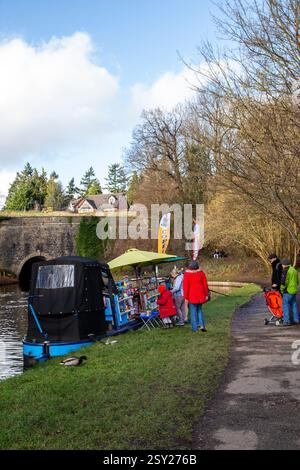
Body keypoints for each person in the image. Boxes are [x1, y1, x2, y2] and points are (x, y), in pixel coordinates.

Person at [183, 261, 209, 333]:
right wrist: (206, 294)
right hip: (201, 294)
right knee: (199, 310)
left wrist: (186, 297)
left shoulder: (187, 274)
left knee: (193, 312)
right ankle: (202, 326)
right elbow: (205, 285)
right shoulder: (201, 273)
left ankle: (195, 329)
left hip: (192, 295)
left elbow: (186, 287)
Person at [280, 258, 299, 326]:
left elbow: (284, 282)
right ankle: (296, 319)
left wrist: (281, 289)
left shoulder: (286, 271)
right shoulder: (294, 270)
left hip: (287, 291)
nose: (282, 265)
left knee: (285, 306)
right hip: (294, 290)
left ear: (285, 265)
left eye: (282, 264)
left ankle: (286, 321)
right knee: (294, 305)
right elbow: (297, 281)